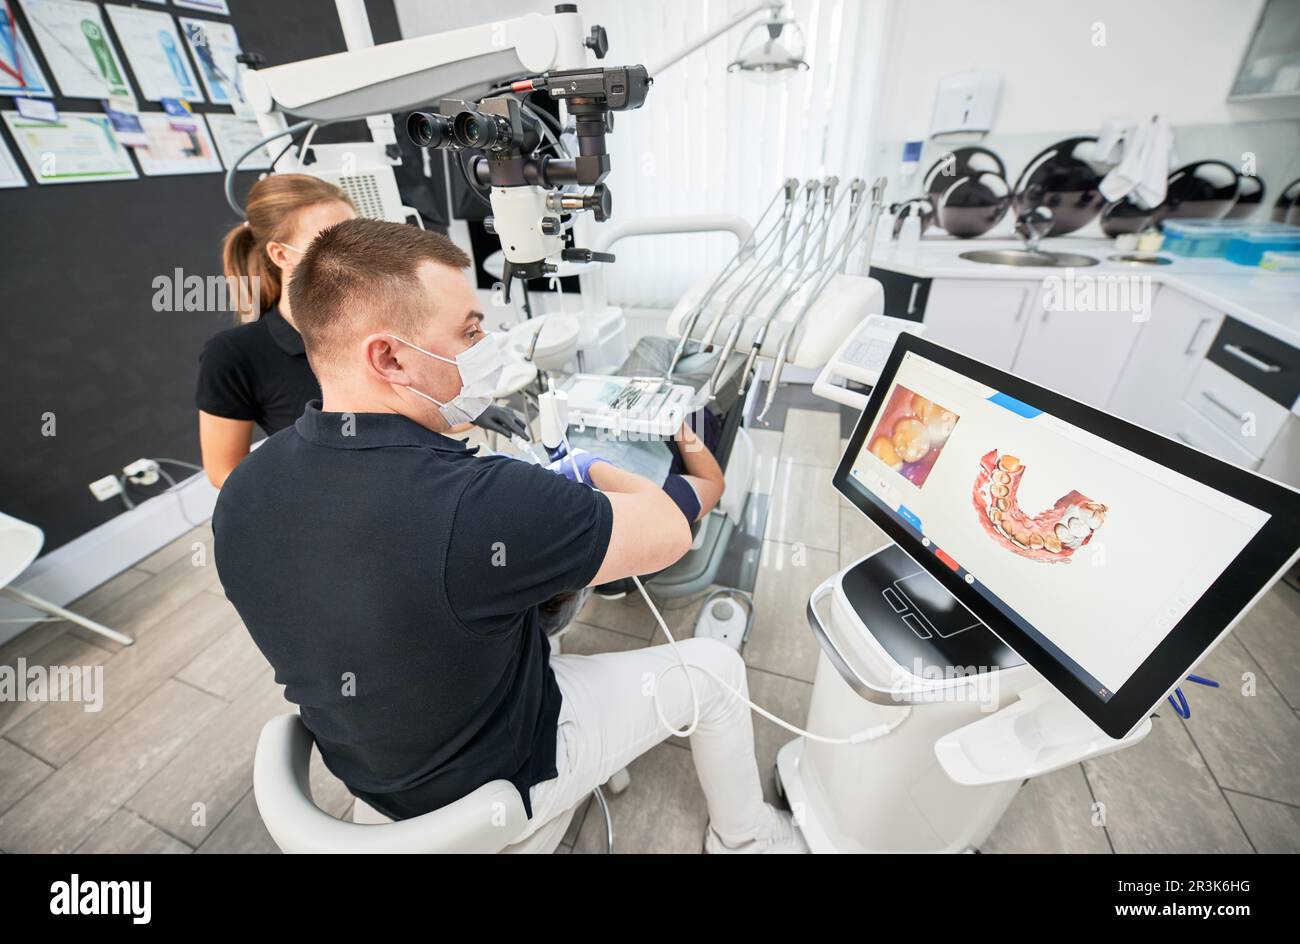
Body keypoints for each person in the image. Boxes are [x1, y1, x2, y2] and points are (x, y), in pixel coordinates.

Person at [213, 218, 804, 853]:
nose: (488, 342)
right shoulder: (483, 503)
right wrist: (586, 471)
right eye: (470, 331)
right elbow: (669, 531)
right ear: (389, 356)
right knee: (715, 671)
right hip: (492, 782)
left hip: (370, 771)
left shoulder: (243, 488)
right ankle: (749, 838)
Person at [197, 175, 358, 488]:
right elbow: (224, 472)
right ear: (281, 254)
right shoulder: (234, 354)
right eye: (331, 242)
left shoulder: (381, 321)